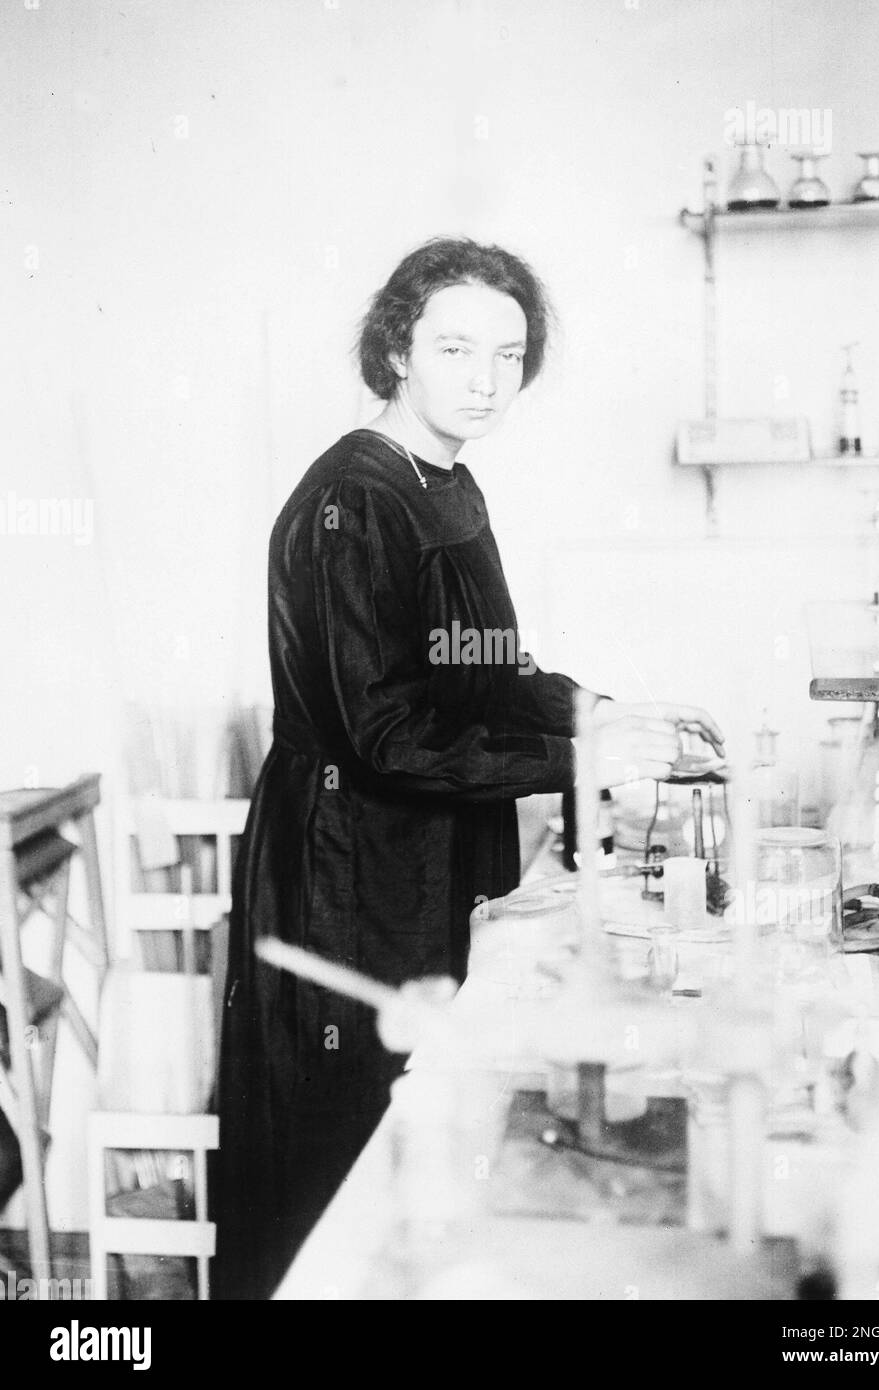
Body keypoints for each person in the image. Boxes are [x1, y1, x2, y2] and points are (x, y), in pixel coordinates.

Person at [214, 236, 724, 1299]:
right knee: (354, 1135)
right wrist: (577, 753)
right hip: (348, 864)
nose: (485, 379)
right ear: (397, 349)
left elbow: (486, 672)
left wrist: (611, 711)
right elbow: (387, 734)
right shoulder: (353, 498)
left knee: (428, 1112)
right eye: (455, 348)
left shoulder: (445, 482)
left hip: (417, 851)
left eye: (508, 353)